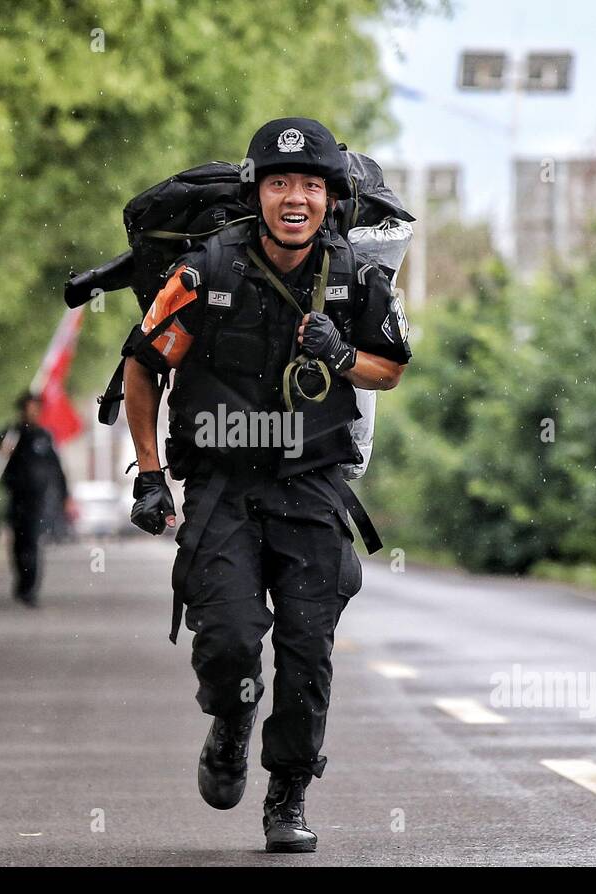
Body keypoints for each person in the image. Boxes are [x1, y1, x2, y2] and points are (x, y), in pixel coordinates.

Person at [120, 117, 412, 852]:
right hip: (222, 488)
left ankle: (289, 792)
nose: (295, 198)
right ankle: (229, 719)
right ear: (258, 192)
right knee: (227, 642)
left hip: (311, 488)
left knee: (308, 650)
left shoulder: (355, 277)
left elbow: (390, 369)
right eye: (280, 183)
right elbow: (144, 366)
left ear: (330, 198)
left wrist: (341, 356)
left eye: (310, 185)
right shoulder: (206, 272)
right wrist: (150, 474)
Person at [0, 393, 75, 607]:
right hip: (16, 498)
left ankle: (30, 589)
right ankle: (22, 583)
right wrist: (1, 451)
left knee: (32, 541)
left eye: (35, 408)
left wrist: (65, 496)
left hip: (38, 500)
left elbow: (57, 469)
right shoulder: (11, 435)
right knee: (18, 544)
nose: (32, 412)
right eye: (28, 408)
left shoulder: (43, 437)